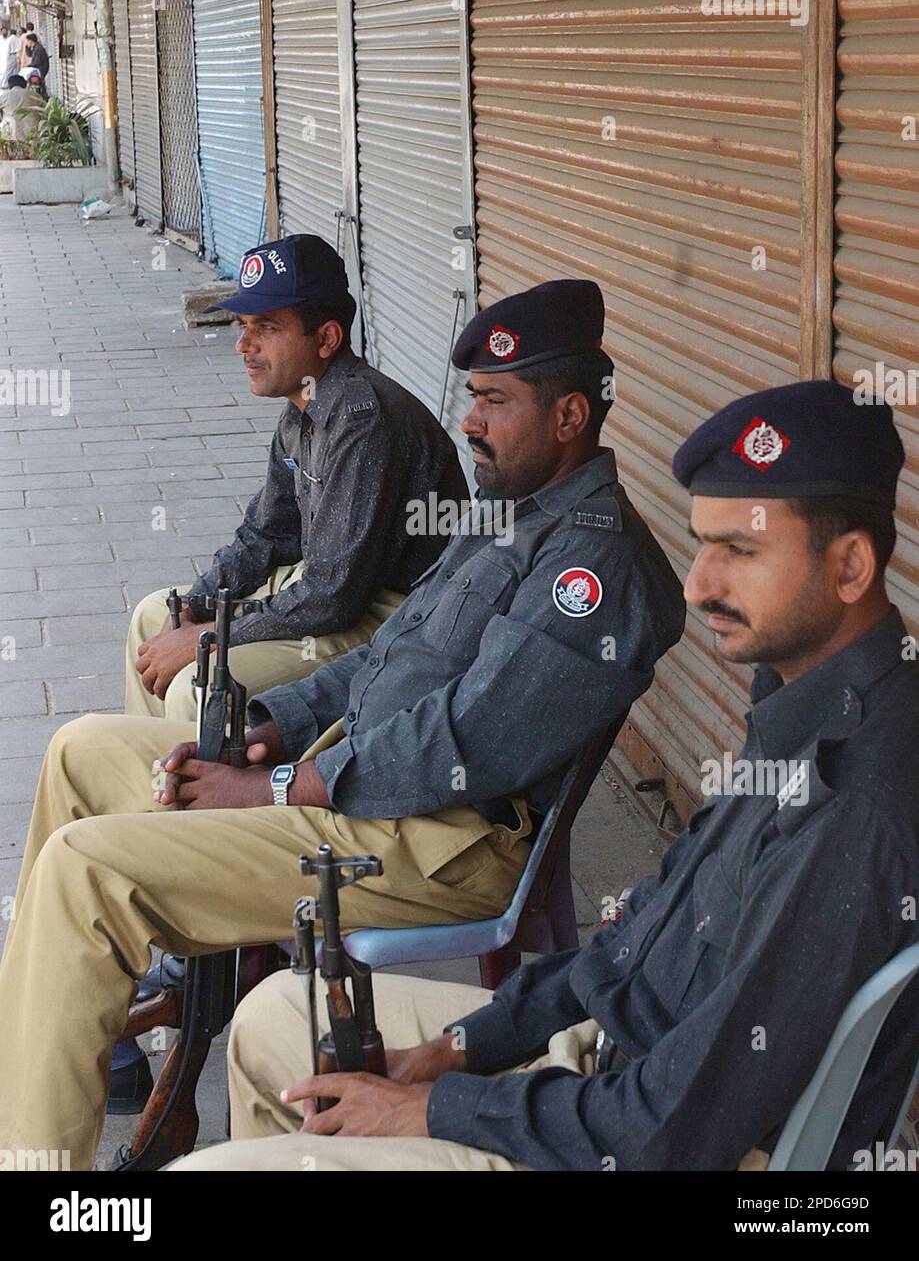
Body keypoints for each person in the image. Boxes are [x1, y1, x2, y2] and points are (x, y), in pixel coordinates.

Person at [0, 279, 686, 1169]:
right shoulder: (509, 509)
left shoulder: (593, 566)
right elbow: (386, 651)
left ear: (567, 418)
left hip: (429, 841)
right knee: (79, 748)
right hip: (356, 778)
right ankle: (58, 1025)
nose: (469, 423)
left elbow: (464, 744)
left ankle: (39, 1169)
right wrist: (273, 729)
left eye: (494, 401)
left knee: (85, 872)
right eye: (471, 397)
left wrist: (274, 785)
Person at [172, 380, 919, 1173]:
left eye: (739, 551)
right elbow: (630, 946)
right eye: (703, 545)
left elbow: (670, 1128)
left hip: (644, 1141)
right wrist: (457, 1051)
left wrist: (430, 1107)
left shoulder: (857, 801)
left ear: (847, 567)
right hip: (606, 1071)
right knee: (273, 1023)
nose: (699, 585)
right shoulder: (799, 705)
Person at [125, 232, 467, 722]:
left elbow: (334, 598)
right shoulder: (301, 409)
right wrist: (198, 603)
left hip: (392, 613)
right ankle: (147, 780)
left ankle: (204, 791)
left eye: (265, 327)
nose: (243, 344)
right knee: (154, 617)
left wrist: (209, 634)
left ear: (326, 338)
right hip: (325, 588)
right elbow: (267, 534)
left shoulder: (362, 418)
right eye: (243, 326)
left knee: (198, 684)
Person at [0, 73, 42, 141]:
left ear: (9, 86)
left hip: (11, 136)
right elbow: (46, 113)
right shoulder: (36, 96)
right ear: (24, 84)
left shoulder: (4, 97)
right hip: (33, 135)